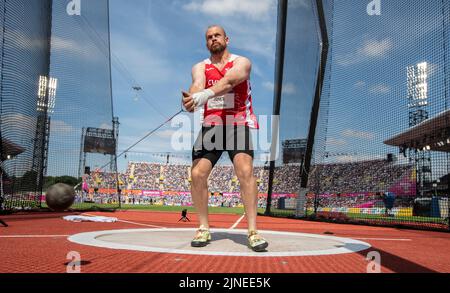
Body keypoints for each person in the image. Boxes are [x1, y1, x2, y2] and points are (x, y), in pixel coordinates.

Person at [182, 25, 268, 252]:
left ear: (227, 39)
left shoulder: (242, 62)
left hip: (237, 123)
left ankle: (252, 231)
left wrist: (205, 95)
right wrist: (192, 98)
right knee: (197, 173)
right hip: (212, 126)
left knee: (245, 171)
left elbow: (230, 82)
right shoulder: (200, 66)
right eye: (209, 37)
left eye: (217, 35)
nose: (213, 39)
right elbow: (197, 84)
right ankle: (203, 227)